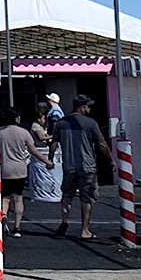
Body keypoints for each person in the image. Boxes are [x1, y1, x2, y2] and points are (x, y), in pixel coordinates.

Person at [49, 94, 116, 240]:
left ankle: (64, 222)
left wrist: (50, 160)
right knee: (87, 198)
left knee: (67, 195)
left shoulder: (61, 123)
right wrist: (111, 160)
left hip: (69, 166)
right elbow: (101, 144)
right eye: (88, 106)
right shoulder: (90, 123)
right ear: (81, 107)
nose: (89, 109)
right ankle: (85, 230)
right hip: (87, 167)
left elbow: (54, 143)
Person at [0, 107, 54, 238]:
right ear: (16, 119)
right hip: (20, 169)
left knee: (5, 197)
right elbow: (34, 151)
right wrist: (47, 162)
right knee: (18, 198)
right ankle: (17, 227)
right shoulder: (24, 132)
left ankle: (3, 216)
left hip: (5, 169)